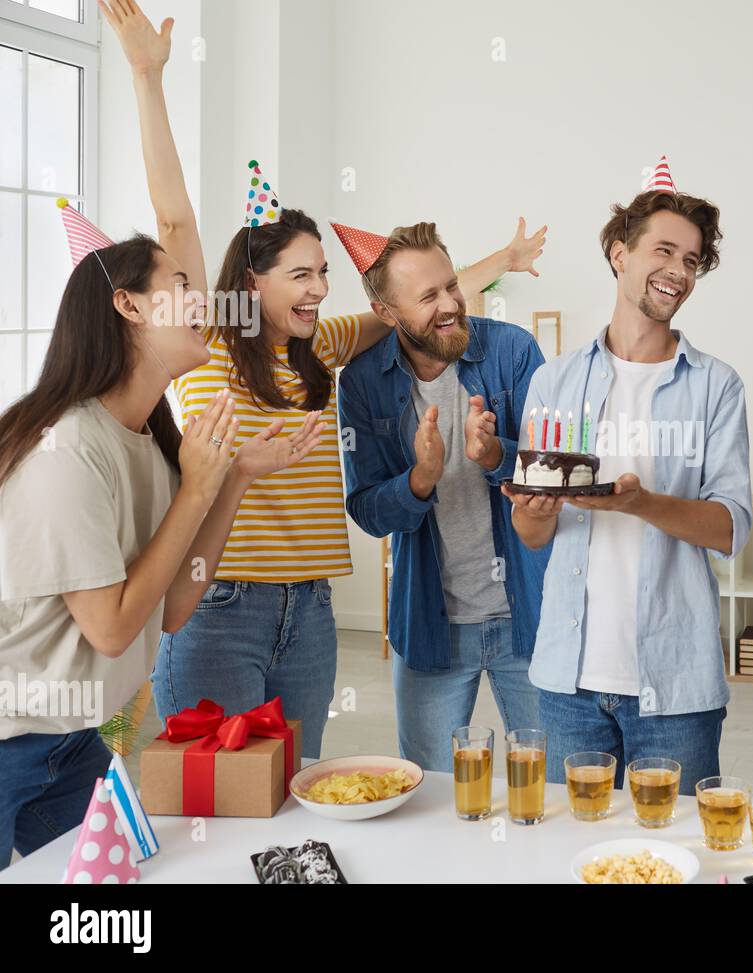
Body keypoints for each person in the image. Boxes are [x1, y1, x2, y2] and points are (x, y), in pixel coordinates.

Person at [100, 0, 545, 758]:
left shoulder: (327, 347)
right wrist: (147, 79)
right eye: (301, 275)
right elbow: (174, 222)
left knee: (294, 785)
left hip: (310, 610)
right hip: (223, 600)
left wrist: (496, 265)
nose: (317, 290)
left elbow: (417, 306)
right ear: (251, 281)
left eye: (324, 274)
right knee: (218, 790)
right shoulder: (203, 340)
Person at [0, 208, 319, 869]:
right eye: (180, 283)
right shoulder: (68, 448)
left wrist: (230, 479)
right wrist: (198, 489)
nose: (202, 297)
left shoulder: (151, 440)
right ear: (128, 306)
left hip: (69, 739)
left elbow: (171, 608)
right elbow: (113, 629)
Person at [508, 160, 752, 794]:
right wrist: (533, 510)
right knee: (571, 849)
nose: (678, 270)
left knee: (678, 853)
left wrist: (641, 503)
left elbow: (729, 528)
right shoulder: (554, 382)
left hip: (675, 689)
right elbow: (532, 533)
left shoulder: (716, 385)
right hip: (569, 684)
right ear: (619, 254)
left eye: (692, 261)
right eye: (663, 250)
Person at [335, 220, 549, 771]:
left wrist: (495, 455)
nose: (451, 303)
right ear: (388, 314)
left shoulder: (514, 351)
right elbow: (367, 510)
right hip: (431, 625)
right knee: (428, 797)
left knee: (553, 791)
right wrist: (419, 480)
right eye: (428, 296)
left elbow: (555, 473)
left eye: (451, 285)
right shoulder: (362, 382)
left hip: (529, 615)